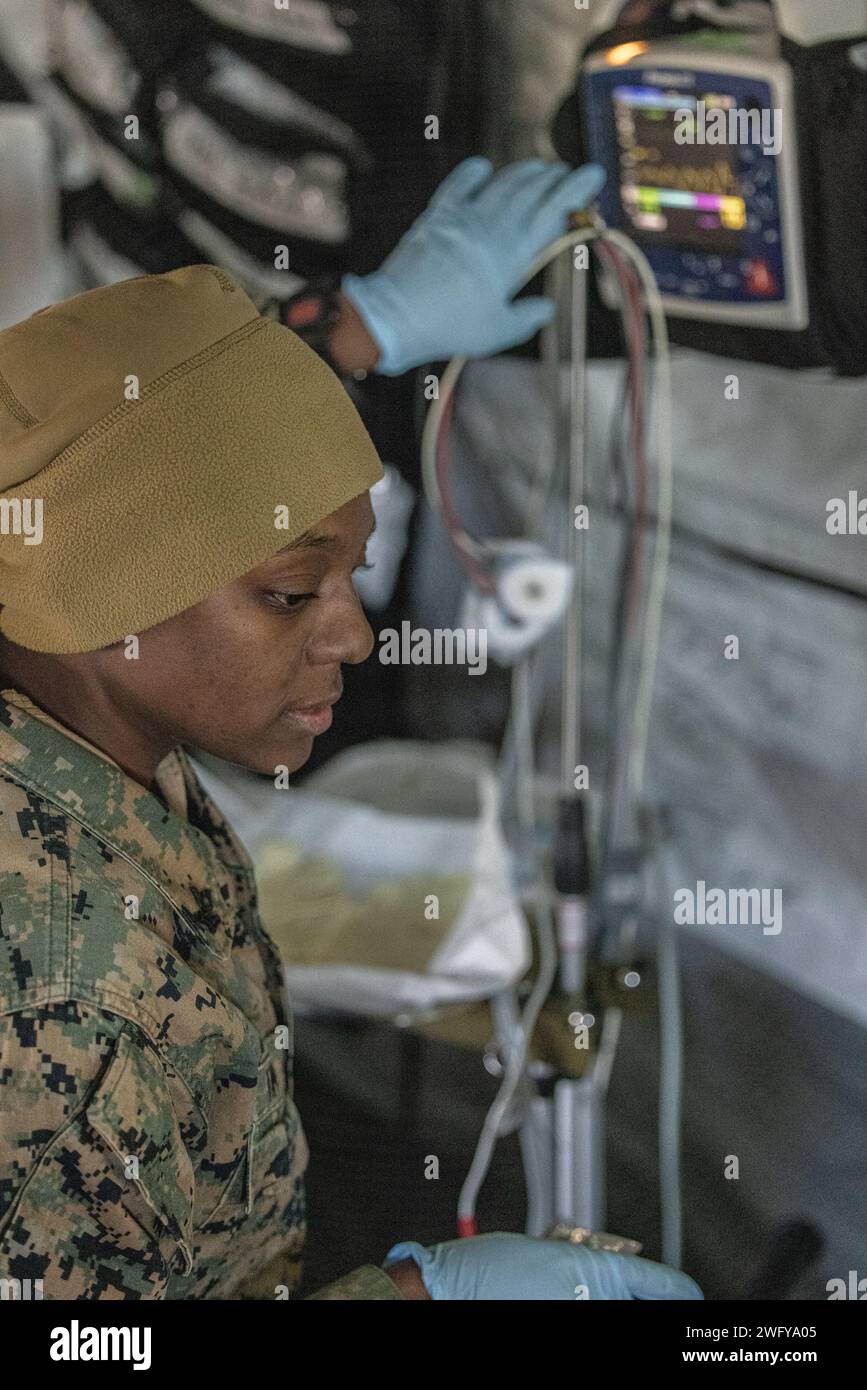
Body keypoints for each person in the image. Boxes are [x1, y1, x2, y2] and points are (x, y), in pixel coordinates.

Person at [0, 160, 702, 1300]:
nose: (358, 638)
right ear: (97, 598)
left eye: (354, 573)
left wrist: (360, 328)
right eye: (292, 594)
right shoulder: (64, 1009)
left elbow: (145, 462)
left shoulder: (67, 663)